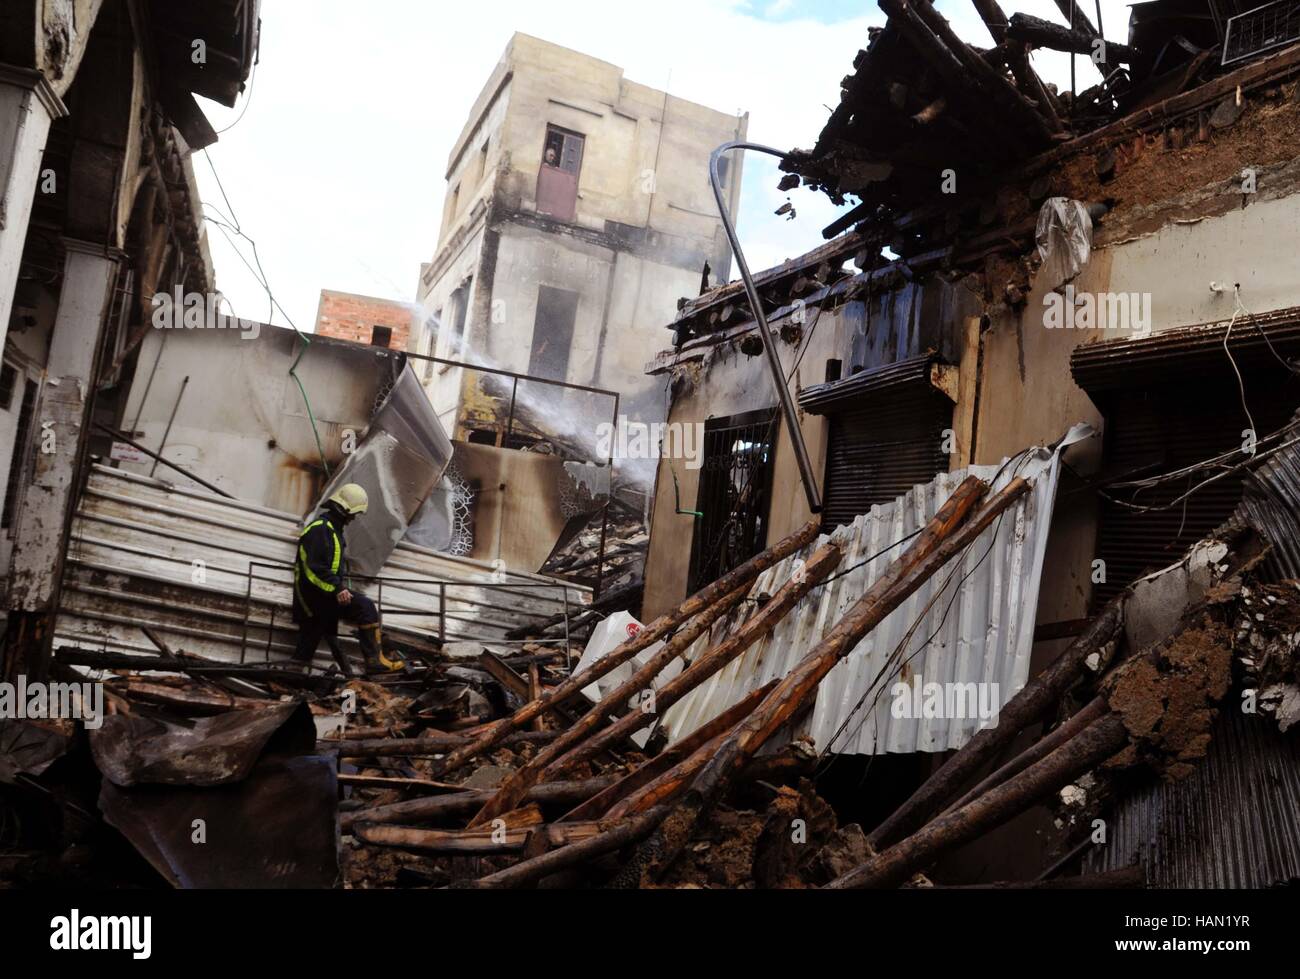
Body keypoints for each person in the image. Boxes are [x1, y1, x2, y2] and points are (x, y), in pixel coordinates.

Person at [292, 483, 402, 674]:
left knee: (305, 651)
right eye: (354, 513)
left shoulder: (333, 530)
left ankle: (291, 676)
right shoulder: (320, 529)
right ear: (344, 510)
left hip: (322, 597)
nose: (354, 518)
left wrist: (338, 586)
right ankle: (374, 662)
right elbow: (313, 569)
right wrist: (338, 588)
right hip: (315, 599)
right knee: (365, 607)